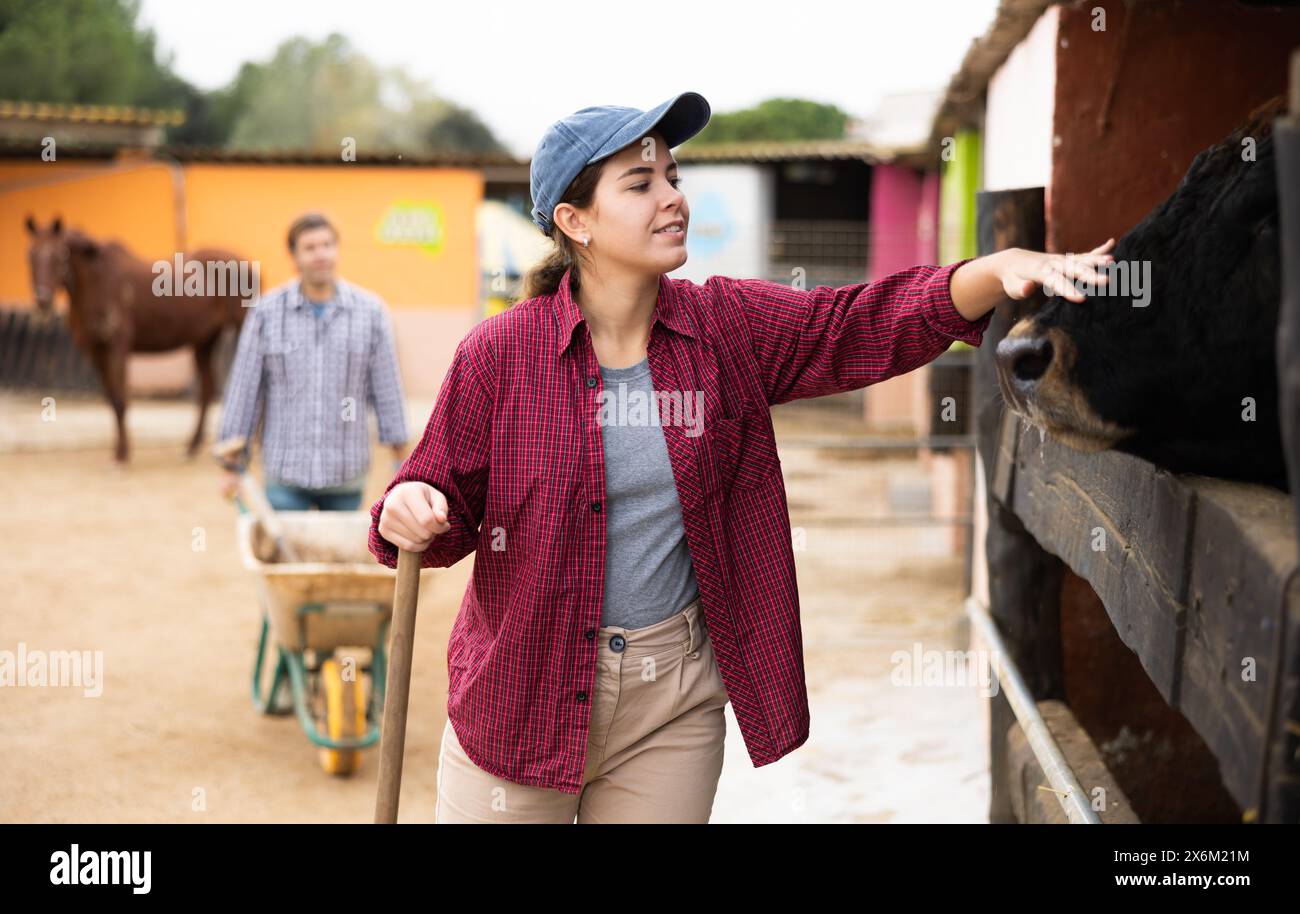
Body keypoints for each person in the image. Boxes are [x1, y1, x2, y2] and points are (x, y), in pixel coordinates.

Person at [368, 92, 1115, 823]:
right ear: (575, 222)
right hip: (519, 701)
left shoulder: (725, 327)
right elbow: (436, 501)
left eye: (673, 179)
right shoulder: (500, 356)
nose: (671, 199)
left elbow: (853, 325)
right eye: (640, 183)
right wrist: (410, 506)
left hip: (672, 705)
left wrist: (993, 269)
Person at [214, 212, 410, 511]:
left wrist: (399, 460)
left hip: (347, 473)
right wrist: (230, 464)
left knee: (338, 557)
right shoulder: (266, 313)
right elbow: (244, 390)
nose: (321, 254)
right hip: (284, 473)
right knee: (287, 557)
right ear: (294, 255)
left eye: (327, 245)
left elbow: (388, 390)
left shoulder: (370, 312)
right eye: (310, 247)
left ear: (337, 250)